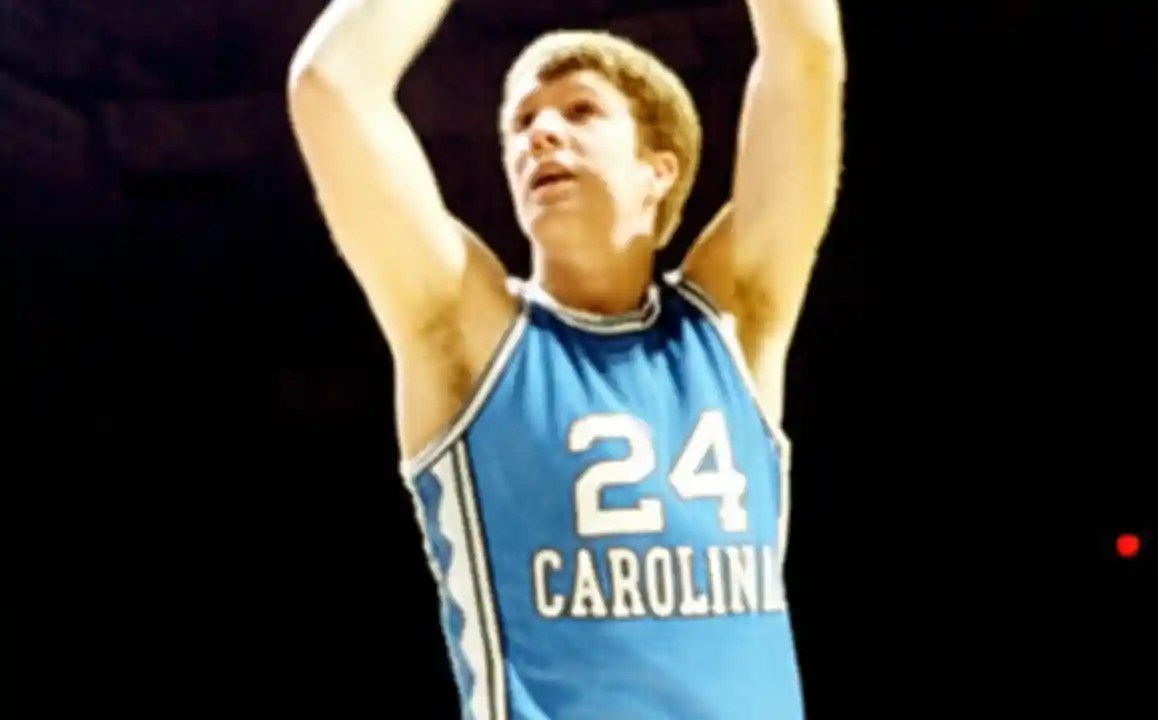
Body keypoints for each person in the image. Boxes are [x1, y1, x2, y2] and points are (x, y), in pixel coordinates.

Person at [286, 0, 844, 717]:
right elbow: (332, 85)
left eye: (579, 111)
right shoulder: (464, 327)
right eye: (521, 123)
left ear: (658, 170)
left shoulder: (738, 319)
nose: (541, 133)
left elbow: (806, 58)